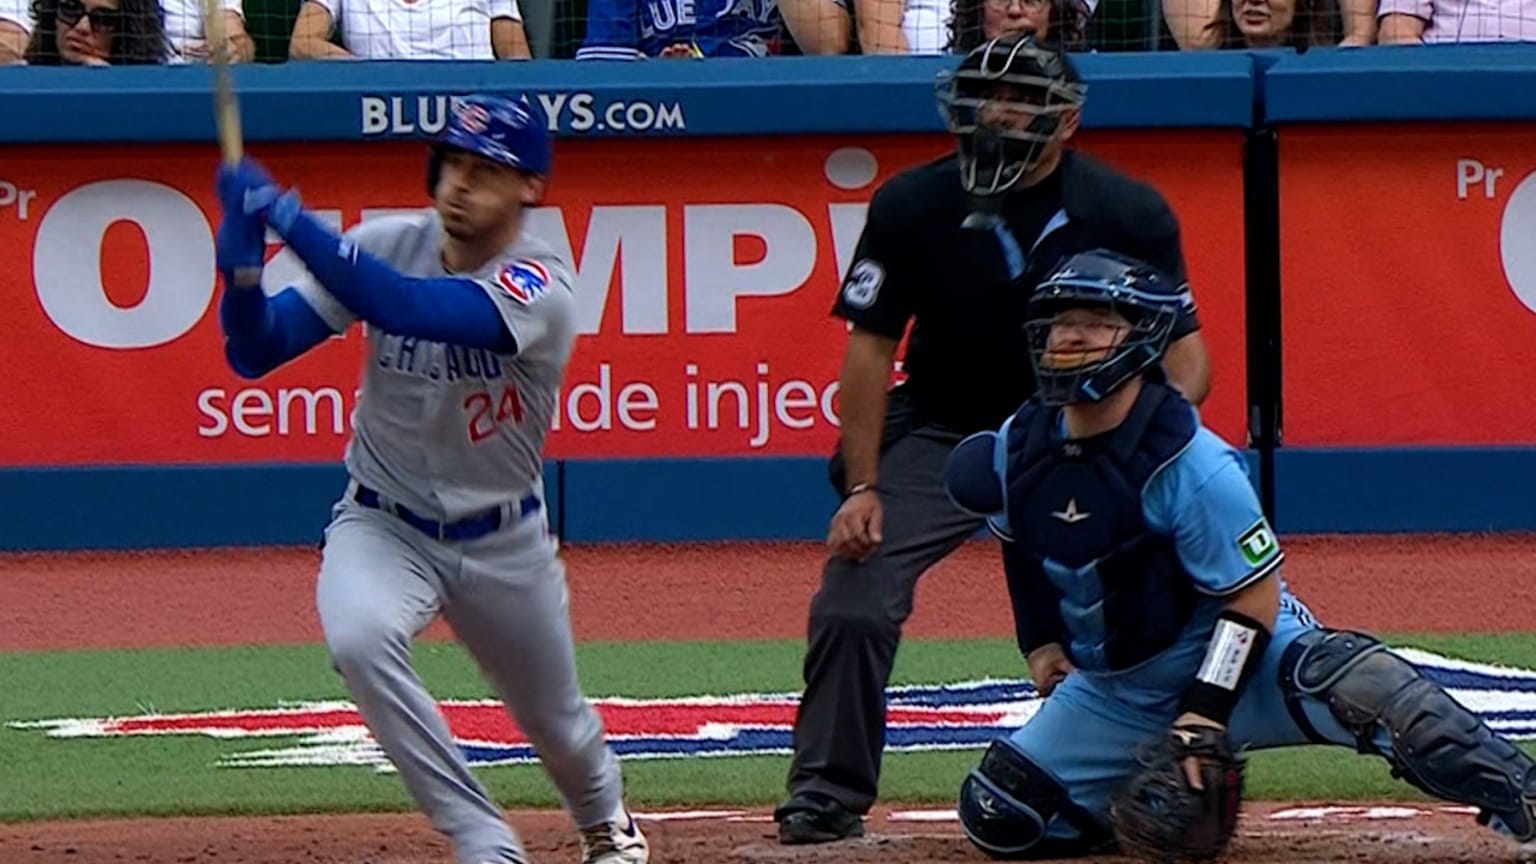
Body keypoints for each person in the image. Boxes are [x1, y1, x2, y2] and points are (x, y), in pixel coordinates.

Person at [941, 248, 1536, 861]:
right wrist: (1039, 642)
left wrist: (1203, 711)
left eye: (1095, 321)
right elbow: (1013, 535)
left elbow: (1253, 600)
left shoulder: (1193, 464)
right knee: (1002, 813)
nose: (1070, 336)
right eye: (1060, 320)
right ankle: (1131, 792)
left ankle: (1524, 796)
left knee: (1365, 684)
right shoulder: (1020, 445)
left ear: (1142, 339)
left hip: (1241, 665)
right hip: (1115, 691)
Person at [771, 31, 1213, 846]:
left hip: (1081, 431)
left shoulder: (1127, 211)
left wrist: (1140, 448)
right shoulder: (912, 203)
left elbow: (1189, 364)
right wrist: (863, 487)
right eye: (984, 95)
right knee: (854, 593)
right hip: (943, 428)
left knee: (1138, 607)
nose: (997, 114)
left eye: (1020, 101)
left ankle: (1157, 774)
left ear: (1068, 120)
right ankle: (826, 793)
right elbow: (869, 349)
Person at [211, 94, 649, 864]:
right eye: (452, 163)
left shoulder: (543, 285)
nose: (458, 184)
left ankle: (606, 820)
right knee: (359, 636)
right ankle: (481, 835)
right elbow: (256, 351)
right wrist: (242, 274)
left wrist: (289, 217)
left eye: (485, 171)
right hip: (382, 521)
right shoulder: (386, 240)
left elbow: (412, 308)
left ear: (530, 188)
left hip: (501, 537)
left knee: (556, 723)